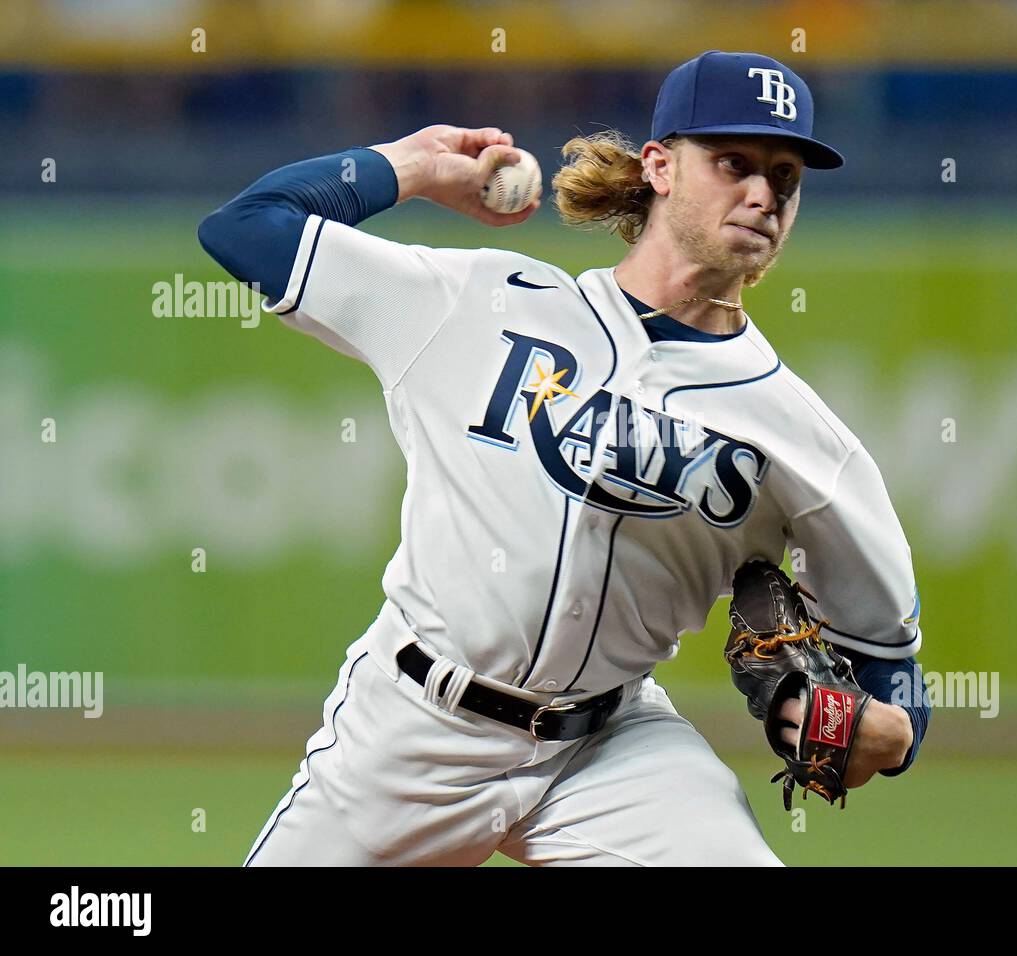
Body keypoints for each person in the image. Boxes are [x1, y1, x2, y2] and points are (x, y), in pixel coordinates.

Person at [198, 49, 929, 867]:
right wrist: (411, 167)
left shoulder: (807, 442)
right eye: (734, 162)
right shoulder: (476, 303)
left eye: (785, 177)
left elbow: (889, 669)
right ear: (658, 165)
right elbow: (245, 229)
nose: (762, 193)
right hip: (408, 731)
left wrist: (886, 735)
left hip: (611, 749)